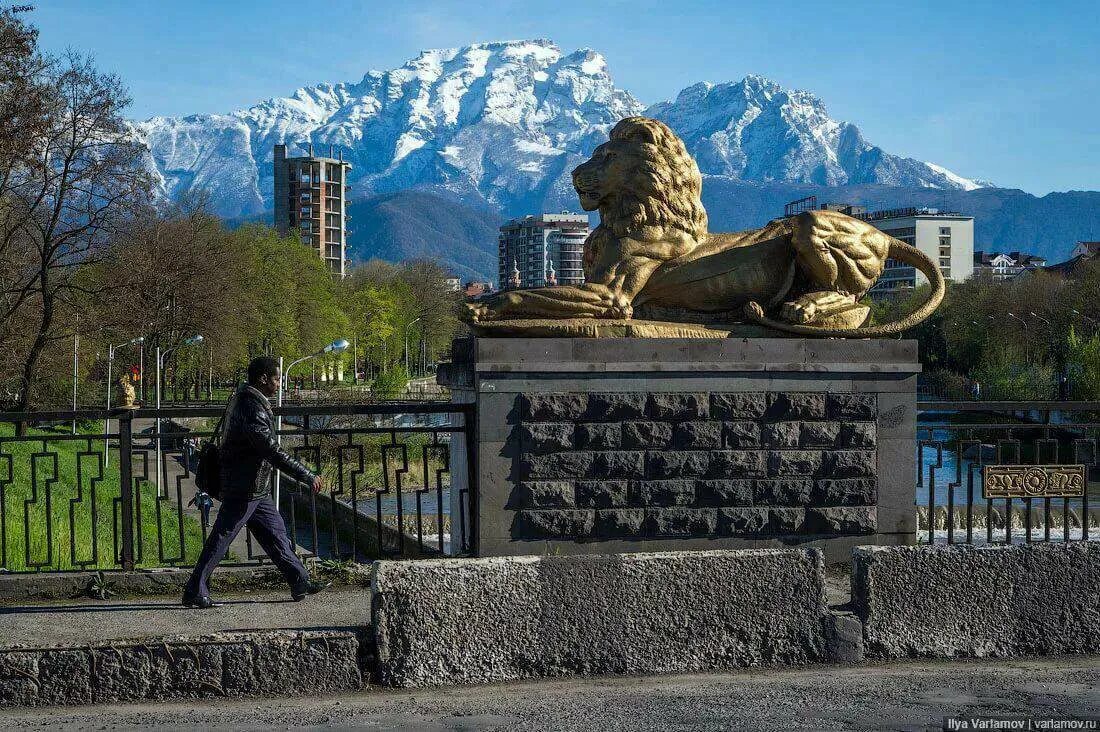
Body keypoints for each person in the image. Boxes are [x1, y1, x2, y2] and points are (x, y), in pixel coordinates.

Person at [183, 356, 330, 609]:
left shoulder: (246, 399)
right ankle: (195, 589)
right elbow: (270, 450)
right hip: (244, 486)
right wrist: (306, 475)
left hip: (254, 487)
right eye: (276, 379)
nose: (279, 384)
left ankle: (299, 580)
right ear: (263, 379)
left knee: (276, 533)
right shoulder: (252, 407)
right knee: (223, 536)